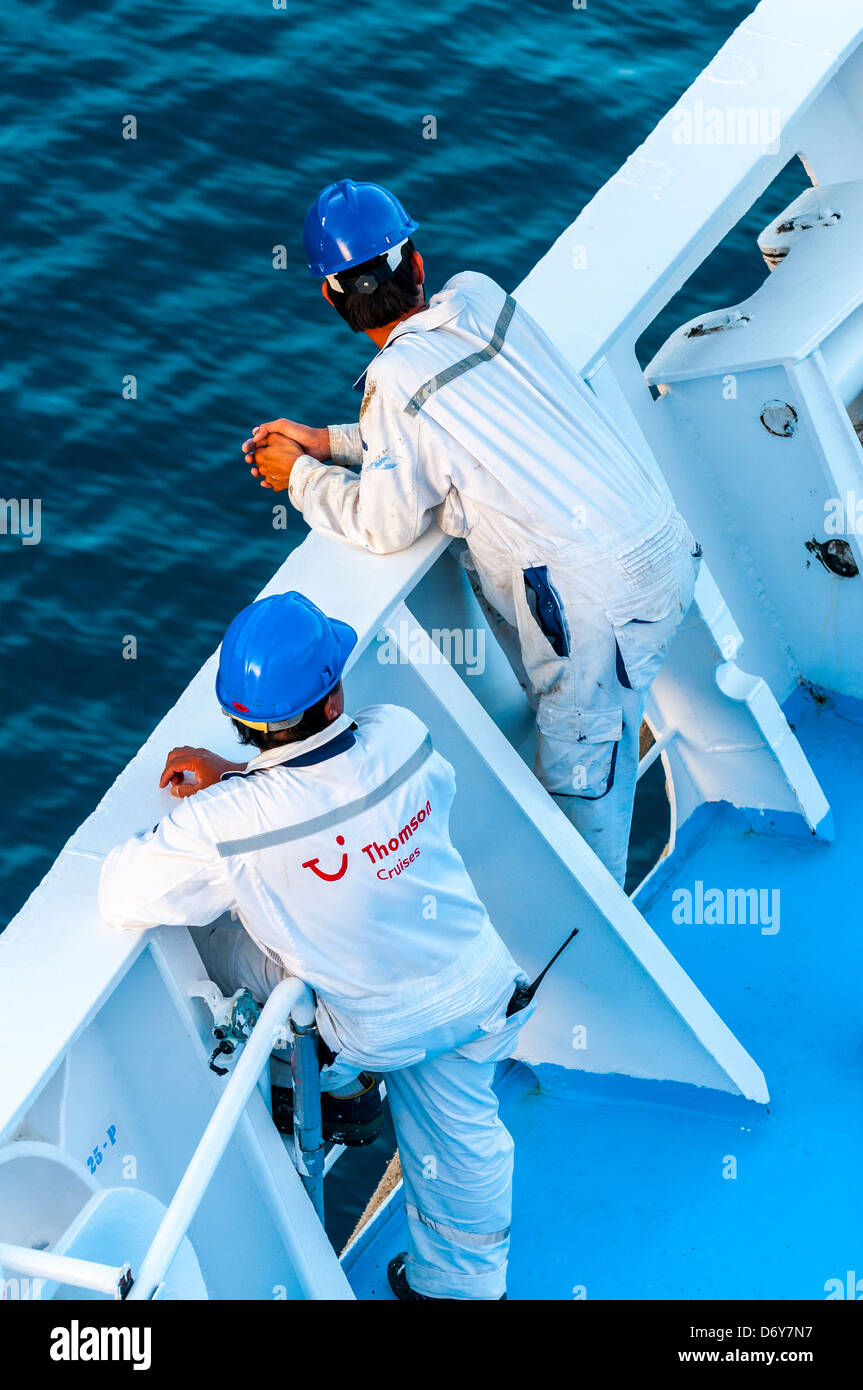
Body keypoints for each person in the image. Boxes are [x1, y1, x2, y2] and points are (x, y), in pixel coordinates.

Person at [242, 178, 701, 886]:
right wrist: (327, 443)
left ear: (328, 296)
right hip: (662, 550)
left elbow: (386, 522)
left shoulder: (393, 382)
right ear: (417, 264)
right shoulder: (481, 298)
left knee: (584, 813)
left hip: (596, 609)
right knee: (597, 731)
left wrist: (300, 477)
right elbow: (454, 427)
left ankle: (619, 956)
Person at [98, 590, 532, 1301]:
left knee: (209, 928)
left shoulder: (225, 823)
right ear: (330, 701)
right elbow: (340, 792)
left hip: (374, 1030)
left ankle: (331, 1081)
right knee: (465, 1141)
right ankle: (462, 1290)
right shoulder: (401, 732)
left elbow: (120, 896)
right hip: (475, 987)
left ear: (240, 718)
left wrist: (224, 789)